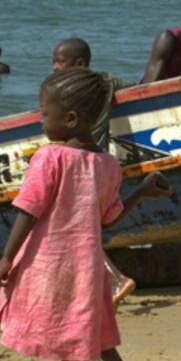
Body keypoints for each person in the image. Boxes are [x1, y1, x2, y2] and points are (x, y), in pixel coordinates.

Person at [0, 68, 172, 361]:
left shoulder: (50, 158)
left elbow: (29, 210)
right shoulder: (107, 165)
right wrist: (140, 192)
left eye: (45, 113)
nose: (41, 120)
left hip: (52, 263)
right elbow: (109, 219)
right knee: (86, 324)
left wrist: (6, 257)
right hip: (88, 264)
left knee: (65, 333)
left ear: (70, 119)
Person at [51, 37, 140, 305]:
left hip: (80, 166)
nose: (54, 67)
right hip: (101, 164)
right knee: (87, 226)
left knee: (76, 228)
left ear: (79, 64)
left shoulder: (67, 92)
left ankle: (115, 281)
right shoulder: (108, 81)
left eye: (59, 61)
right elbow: (139, 90)